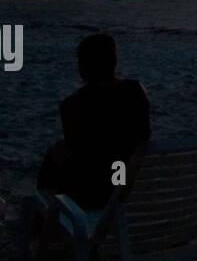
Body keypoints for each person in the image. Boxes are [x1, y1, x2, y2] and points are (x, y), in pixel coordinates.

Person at [36, 34, 151, 210]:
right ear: (114, 61)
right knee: (59, 151)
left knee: (55, 155)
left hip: (93, 196)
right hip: (131, 187)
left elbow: (78, 156)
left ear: (83, 66)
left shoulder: (72, 104)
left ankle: (45, 223)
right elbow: (143, 137)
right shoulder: (136, 91)